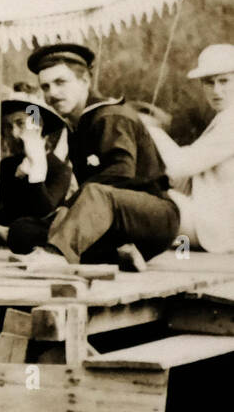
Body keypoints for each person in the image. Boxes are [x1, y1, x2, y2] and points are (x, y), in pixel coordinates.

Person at [21, 43, 178, 270]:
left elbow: (121, 172)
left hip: (153, 217)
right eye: (45, 87)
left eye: (60, 82)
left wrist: (70, 207)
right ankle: (120, 255)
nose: (52, 93)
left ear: (85, 81)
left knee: (91, 195)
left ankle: (56, 256)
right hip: (112, 223)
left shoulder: (109, 116)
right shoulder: (77, 126)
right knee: (23, 230)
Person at [143, 44, 234, 253]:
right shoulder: (224, 118)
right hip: (213, 224)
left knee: (138, 205)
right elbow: (185, 177)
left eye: (224, 81)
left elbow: (179, 167)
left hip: (217, 232)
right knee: (141, 204)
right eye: (209, 83)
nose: (216, 91)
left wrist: (149, 130)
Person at [0, 85, 74, 245]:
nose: (13, 133)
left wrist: (35, 167)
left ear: (37, 125)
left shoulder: (59, 169)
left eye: (20, 123)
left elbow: (43, 214)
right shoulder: (5, 167)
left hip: (40, 247)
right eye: (8, 127)